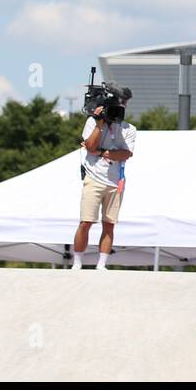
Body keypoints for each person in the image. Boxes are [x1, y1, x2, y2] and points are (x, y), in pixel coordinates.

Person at [72, 96, 136, 270]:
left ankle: (101, 264)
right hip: (93, 177)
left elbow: (126, 154)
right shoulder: (92, 122)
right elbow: (90, 145)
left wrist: (100, 152)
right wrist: (100, 123)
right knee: (86, 222)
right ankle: (77, 262)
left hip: (115, 181)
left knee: (109, 224)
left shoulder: (129, 128)